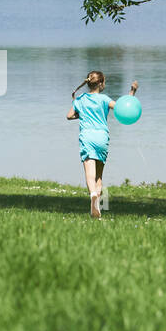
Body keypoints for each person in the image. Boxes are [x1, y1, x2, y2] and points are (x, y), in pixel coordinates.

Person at [67, 70, 137, 219]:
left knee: (89, 175)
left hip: (87, 138)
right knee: (99, 176)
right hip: (102, 138)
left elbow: (69, 115)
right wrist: (132, 91)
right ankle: (97, 207)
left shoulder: (80, 99)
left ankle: (93, 196)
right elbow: (123, 109)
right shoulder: (104, 99)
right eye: (104, 81)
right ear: (100, 83)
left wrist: (82, 114)